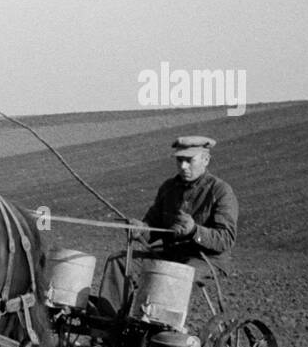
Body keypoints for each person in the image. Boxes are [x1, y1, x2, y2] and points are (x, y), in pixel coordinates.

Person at [96, 136, 238, 320]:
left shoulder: (220, 191)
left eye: (189, 160)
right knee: (119, 261)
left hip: (206, 260)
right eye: (180, 160)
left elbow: (226, 238)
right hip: (171, 254)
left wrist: (195, 231)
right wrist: (140, 229)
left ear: (206, 160)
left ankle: (162, 333)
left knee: (178, 274)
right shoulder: (168, 188)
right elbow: (152, 229)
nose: (183, 166)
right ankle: (110, 327)